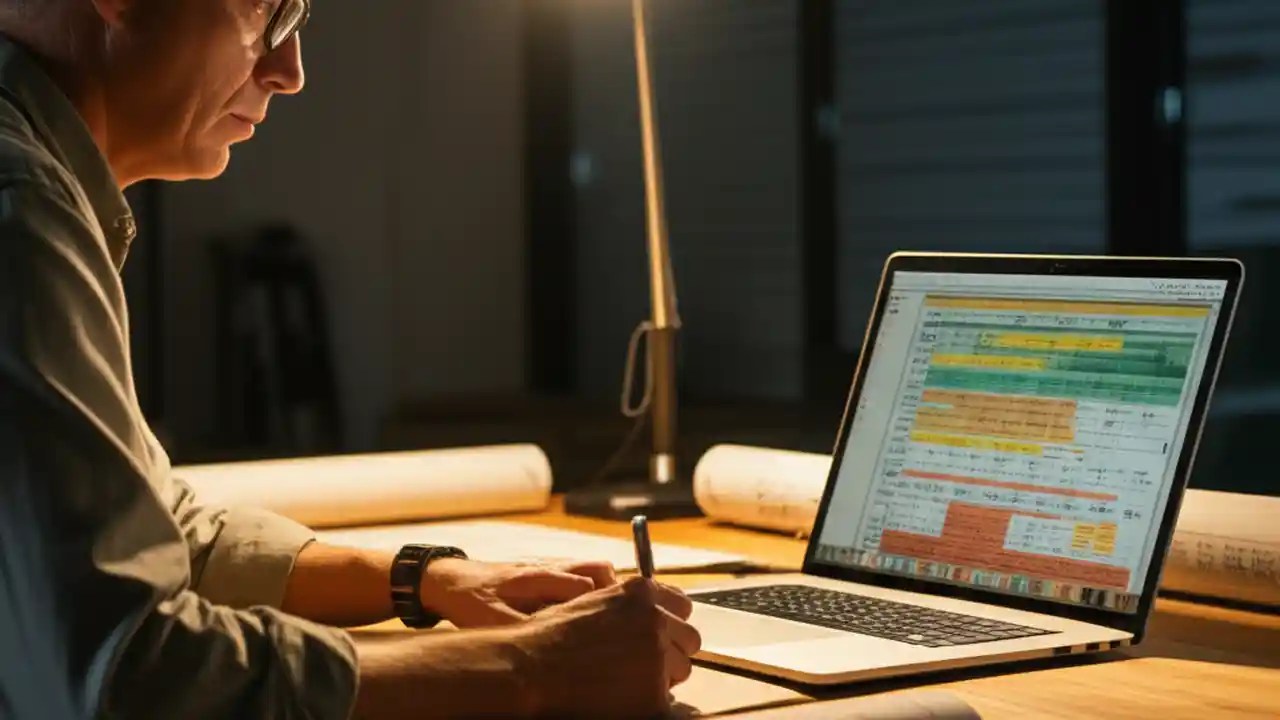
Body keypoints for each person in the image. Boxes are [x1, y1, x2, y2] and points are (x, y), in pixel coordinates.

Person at [0, 0, 701, 717]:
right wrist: (537, 667)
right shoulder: (18, 211)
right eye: (272, 14)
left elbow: (151, 531)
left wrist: (427, 580)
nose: (289, 71)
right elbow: (131, 679)